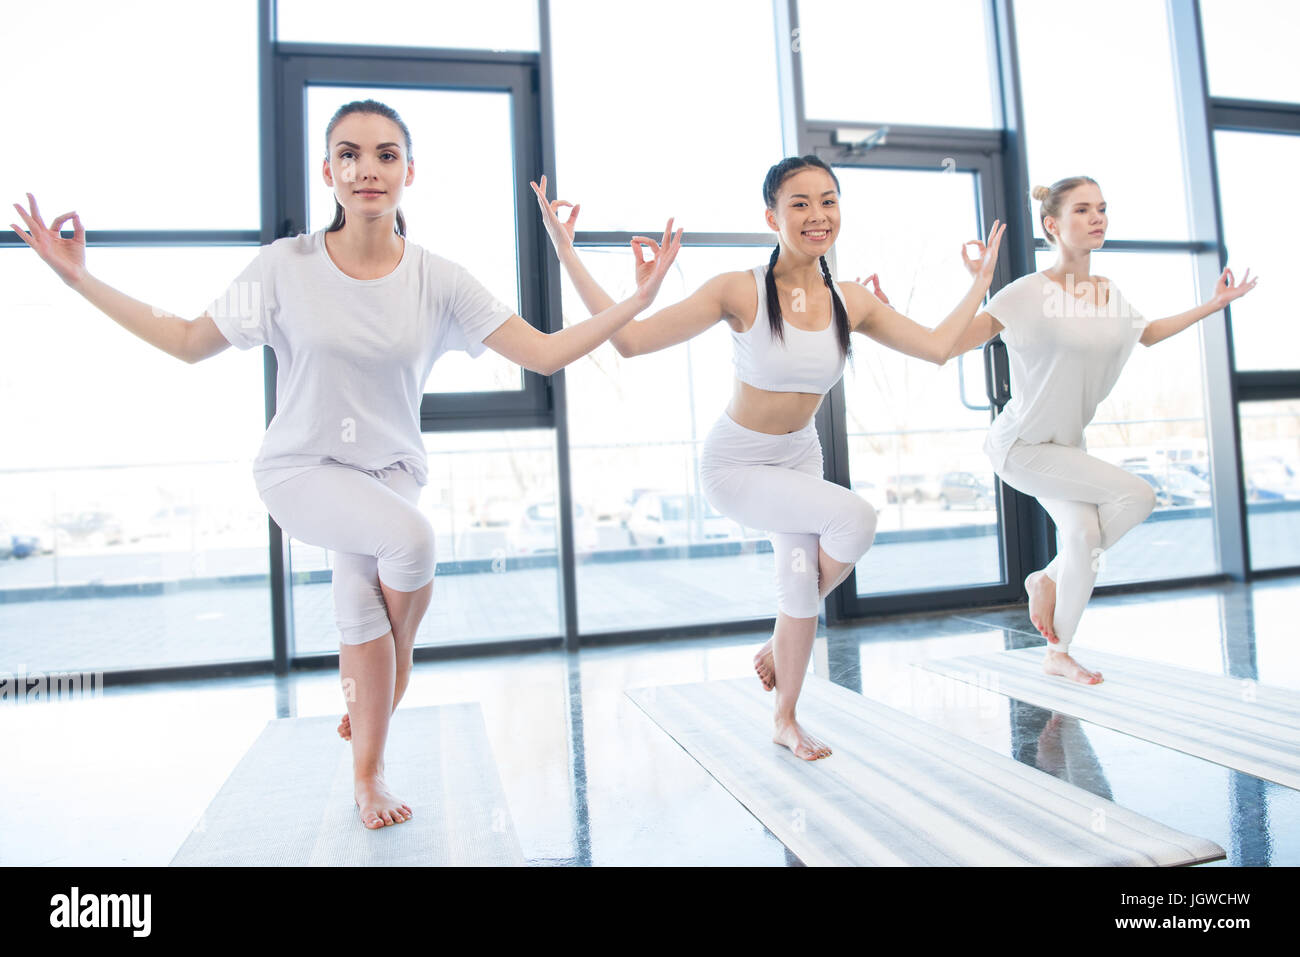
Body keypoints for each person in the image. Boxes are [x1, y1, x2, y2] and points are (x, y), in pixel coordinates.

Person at [10, 98, 682, 829]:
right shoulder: (280, 267)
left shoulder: (442, 278)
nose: (368, 168)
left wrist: (639, 298)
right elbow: (184, 338)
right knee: (413, 544)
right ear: (327, 170)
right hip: (301, 469)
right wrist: (79, 278)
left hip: (394, 473)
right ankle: (400, 668)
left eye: (386, 154)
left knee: (360, 602)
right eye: (350, 154)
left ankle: (369, 774)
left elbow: (546, 352)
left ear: (409, 172)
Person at [531, 156, 1003, 760]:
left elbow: (938, 348)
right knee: (854, 520)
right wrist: (566, 251)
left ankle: (786, 718)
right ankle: (783, 641)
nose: (817, 215)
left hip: (801, 457)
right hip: (737, 466)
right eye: (800, 203)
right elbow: (629, 340)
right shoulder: (739, 289)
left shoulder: (851, 301)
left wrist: (980, 281)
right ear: (771, 216)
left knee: (801, 581)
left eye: (828, 201)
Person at [938, 175, 1257, 685]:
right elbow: (949, 343)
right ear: (1052, 225)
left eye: (1102, 209)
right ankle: (1046, 579)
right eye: (1083, 210)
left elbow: (1147, 334)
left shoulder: (1108, 293)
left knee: (1085, 536)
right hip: (1021, 444)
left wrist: (1214, 305)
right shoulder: (1026, 293)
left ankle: (1056, 645)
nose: (1098, 218)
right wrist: (976, 285)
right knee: (1139, 496)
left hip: (1066, 445)